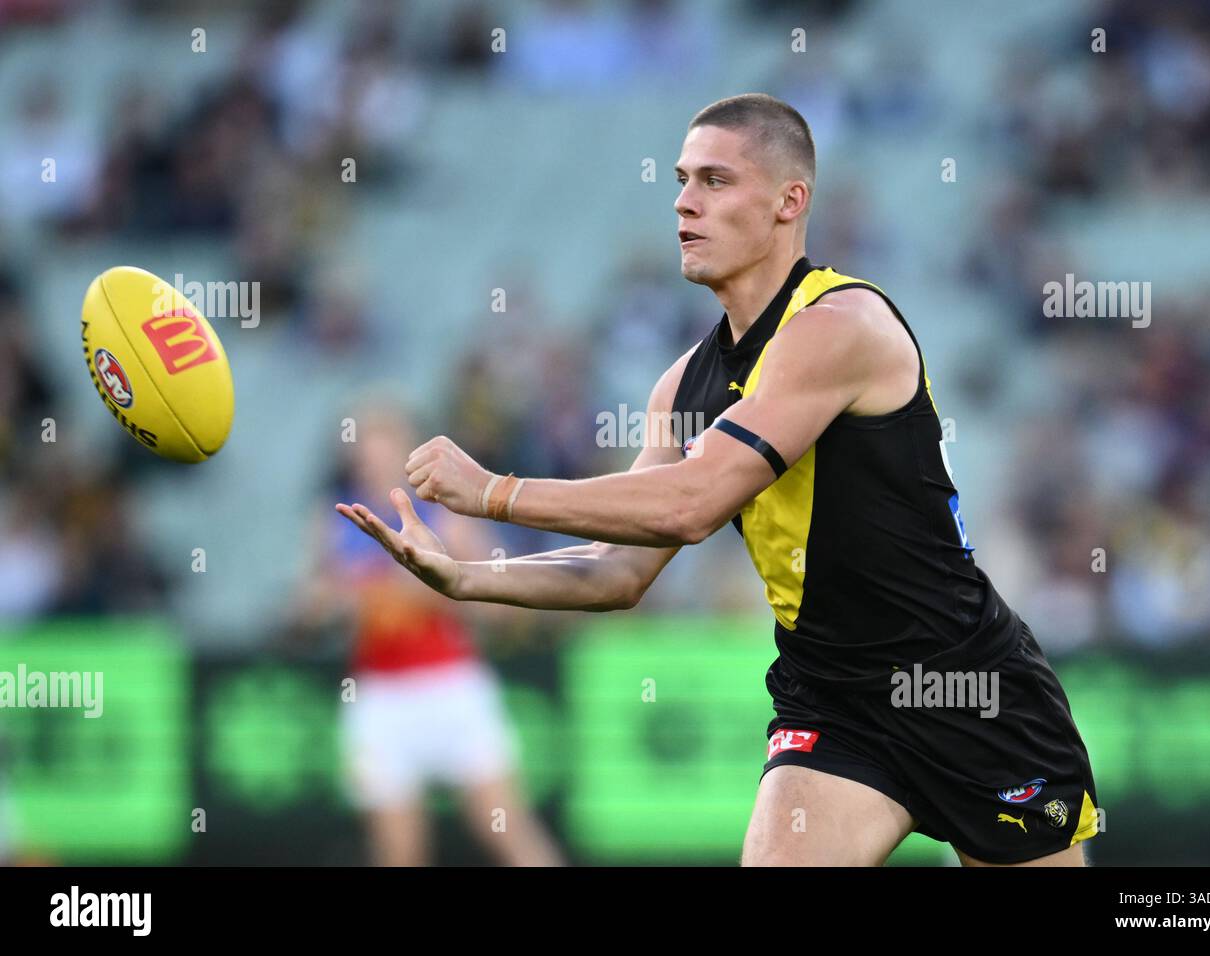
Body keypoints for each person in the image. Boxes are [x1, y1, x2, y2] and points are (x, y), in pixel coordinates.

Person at [337, 94, 1100, 867]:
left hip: (968, 692)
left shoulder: (842, 326)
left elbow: (691, 503)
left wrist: (495, 492)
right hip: (834, 699)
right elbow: (619, 570)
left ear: (788, 201)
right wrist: (468, 575)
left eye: (714, 181)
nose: (683, 202)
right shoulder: (682, 387)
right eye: (680, 180)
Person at [297, 401, 562, 866]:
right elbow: (309, 606)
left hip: (449, 682)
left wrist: (423, 590)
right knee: (398, 849)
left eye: (382, 443)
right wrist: (343, 597)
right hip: (379, 691)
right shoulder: (337, 515)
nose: (372, 456)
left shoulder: (441, 511)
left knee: (502, 823)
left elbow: (493, 597)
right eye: (365, 445)